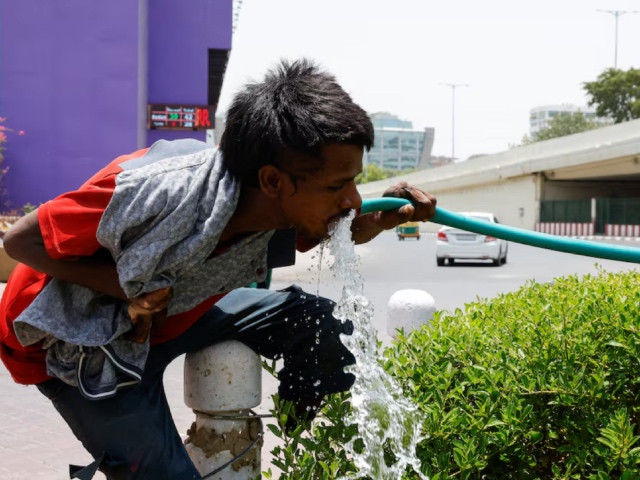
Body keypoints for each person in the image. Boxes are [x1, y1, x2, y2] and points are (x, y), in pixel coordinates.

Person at [0, 58, 436, 479]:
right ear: (272, 181)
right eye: (338, 186)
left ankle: (290, 430)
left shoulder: (272, 205)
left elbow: (331, 231)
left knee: (326, 327)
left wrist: (378, 222)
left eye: (354, 183)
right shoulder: (157, 191)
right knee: (163, 475)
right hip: (77, 337)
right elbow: (21, 240)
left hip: (175, 311)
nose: (353, 200)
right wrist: (125, 289)